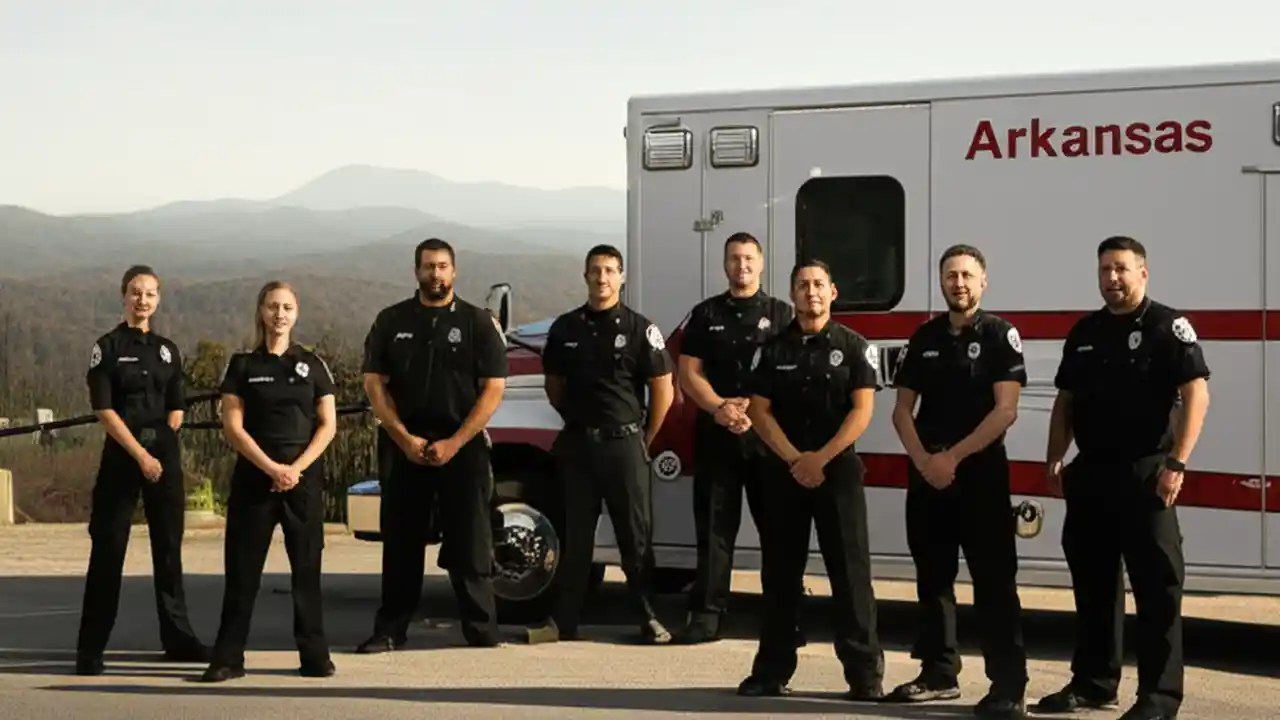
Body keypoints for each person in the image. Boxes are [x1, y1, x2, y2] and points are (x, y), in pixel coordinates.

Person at [1032, 236, 1210, 720]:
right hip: (1091, 473)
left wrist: (1177, 462)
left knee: (1158, 589)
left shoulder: (1167, 326)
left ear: (1143, 273)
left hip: (1148, 472)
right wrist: (1054, 457)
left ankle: (1159, 697)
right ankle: (1093, 684)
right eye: (1105, 269)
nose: (1112, 277)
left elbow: (1196, 395)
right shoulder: (1085, 331)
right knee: (1093, 588)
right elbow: (1065, 400)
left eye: (1122, 269)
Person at [887, 244, 1029, 718]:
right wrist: (926, 461)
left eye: (967, 275)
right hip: (929, 476)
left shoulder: (1000, 335)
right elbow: (902, 411)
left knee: (993, 582)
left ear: (983, 281)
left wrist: (953, 457)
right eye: (951, 275)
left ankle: (1008, 685)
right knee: (933, 580)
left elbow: (1005, 410)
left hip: (981, 475)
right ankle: (938, 673)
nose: (959, 283)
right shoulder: (923, 337)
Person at [736, 259, 885, 701]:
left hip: (836, 471)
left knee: (851, 574)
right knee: (780, 575)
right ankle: (771, 670)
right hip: (784, 473)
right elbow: (759, 412)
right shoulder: (772, 348)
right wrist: (795, 460)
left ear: (833, 292)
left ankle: (864, 674)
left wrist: (820, 459)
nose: (811, 292)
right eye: (802, 285)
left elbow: (862, 411)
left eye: (819, 284)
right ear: (792, 294)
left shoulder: (855, 347)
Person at [354, 237, 508, 651]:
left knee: (471, 541)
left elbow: (493, 389)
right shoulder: (391, 320)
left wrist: (456, 442)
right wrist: (403, 438)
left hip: (463, 447)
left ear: (454, 271)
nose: (435, 273)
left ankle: (481, 628)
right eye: (427, 266)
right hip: (404, 448)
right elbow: (374, 384)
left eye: (442, 266)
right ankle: (389, 630)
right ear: (416, 271)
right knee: (401, 543)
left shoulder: (477, 323)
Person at [525, 244, 675, 644]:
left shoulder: (641, 329)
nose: (602, 278)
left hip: (625, 446)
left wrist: (644, 439)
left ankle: (649, 617)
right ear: (585, 276)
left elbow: (663, 392)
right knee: (576, 538)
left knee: (635, 539)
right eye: (595, 270)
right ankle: (563, 622)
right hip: (579, 447)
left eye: (610, 270)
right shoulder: (565, 328)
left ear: (622, 277)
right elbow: (554, 388)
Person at [200, 281, 338, 682]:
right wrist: (271, 468)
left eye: (288, 307)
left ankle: (315, 657)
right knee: (242, 573)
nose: (280, 314)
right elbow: (232, 426)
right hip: (254, 479)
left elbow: (328, 425)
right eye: (273, 306)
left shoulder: (313, 364)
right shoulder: (242, 365)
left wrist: (295, 469)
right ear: (261, 311)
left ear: (297, 313)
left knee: (307, 573)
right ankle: (227, 658)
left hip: (304, 480)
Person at [76, 265, 208, 675]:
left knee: (168, 552)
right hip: (122, 457)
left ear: (158, 300)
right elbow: (104, 409)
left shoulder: (168, 349)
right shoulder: (108, 347)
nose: (143, 300)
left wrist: (162, 446)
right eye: (136, 293)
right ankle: (91, 650)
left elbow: (177, 405)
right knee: (108, 551)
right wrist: (141, 454)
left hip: (162, 459)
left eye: (150, 294)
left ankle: (178, 640)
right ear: (124, 297)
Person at [671, 231, 796, 645]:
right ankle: (707, 615)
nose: (741, 266)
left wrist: (754, 410)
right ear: (724, 265)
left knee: (777, 532)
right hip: (718, 435)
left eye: (748, 259)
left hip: (767, 439)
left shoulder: (782, 315)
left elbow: (793, 373)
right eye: (733, 259)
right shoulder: (705, 314)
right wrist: (720, 408)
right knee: (715, 529)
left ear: (761, 264)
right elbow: (689, 372)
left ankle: (783, 618)